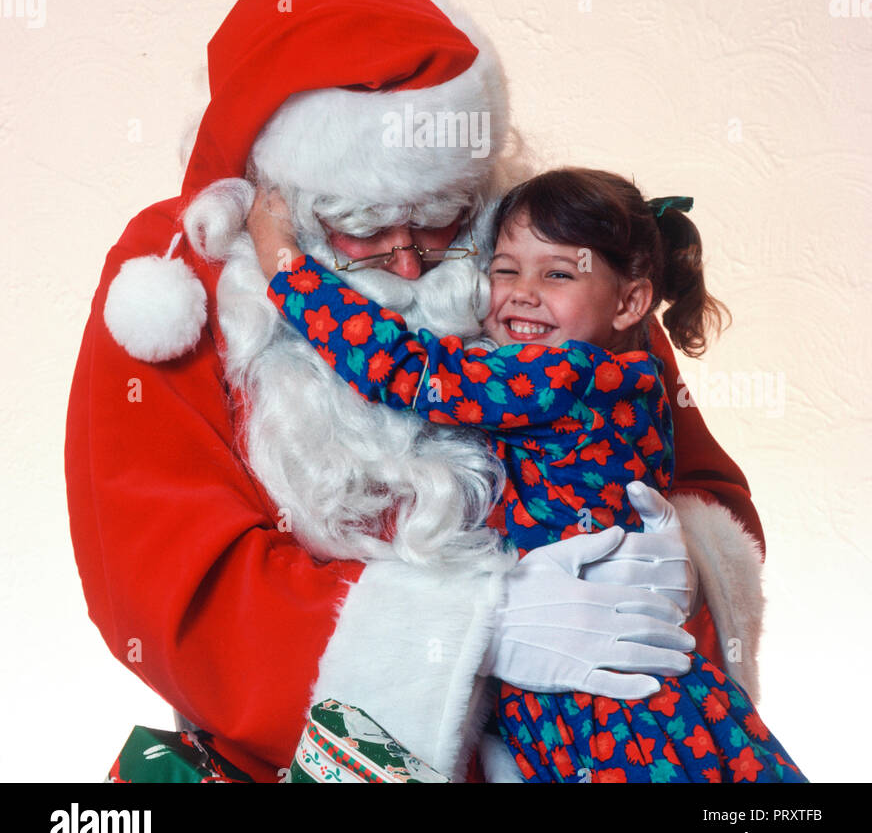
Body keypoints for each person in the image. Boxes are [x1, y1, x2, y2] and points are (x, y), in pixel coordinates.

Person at [65, 0, 768, 783]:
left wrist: (671, 578)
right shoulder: (177, 283)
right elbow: (164, 582)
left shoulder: (543, 259)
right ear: (280, 206)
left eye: (439, 217)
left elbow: (699, 481)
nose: (408, 264)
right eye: (364, 226)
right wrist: (480, 630)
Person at [251, 167, 806, 783]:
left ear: (630, 303)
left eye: (559, 274)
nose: (522, 291)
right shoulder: (629, 375)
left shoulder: (559, 376)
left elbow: (400, 367)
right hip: (613, 681)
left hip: (602, 704)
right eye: (505, 269)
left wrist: (282, 263)